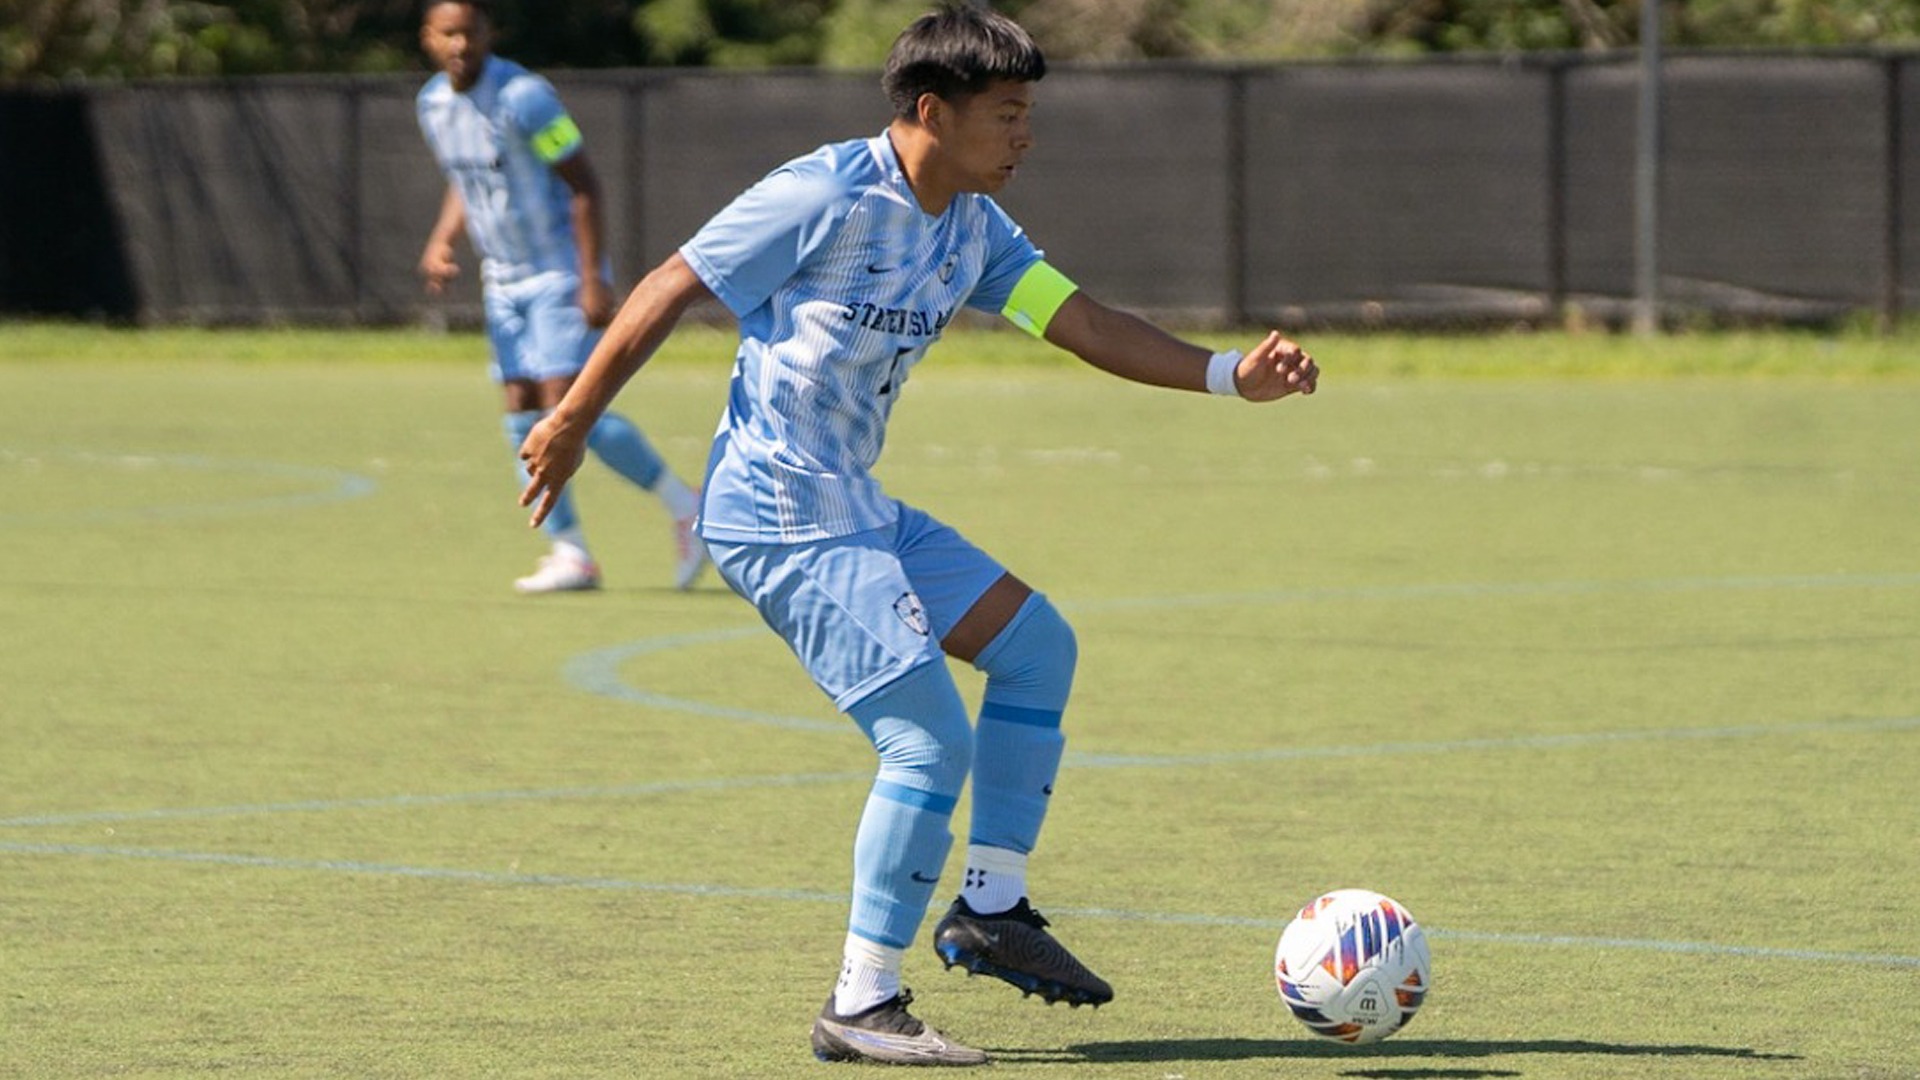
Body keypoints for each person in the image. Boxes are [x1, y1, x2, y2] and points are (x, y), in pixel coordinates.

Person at [518, 3, 1318, 1066]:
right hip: (776, 510)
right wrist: (570, 422)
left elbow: (1083, 323)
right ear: (932, 111)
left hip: (853, 504)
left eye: (1030, 113)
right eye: (1009, 114)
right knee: (926, 738)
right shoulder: (823, 193)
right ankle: (861, 1001)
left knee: (1038, 647)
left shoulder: (974, 227)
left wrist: (1228, 376)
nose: (1026, 135)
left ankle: (991, 908)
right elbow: (670, 286)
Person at [414, 0, 706, 593]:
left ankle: (686, 506)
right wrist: (443, 239)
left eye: (470, 32)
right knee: (520, 408)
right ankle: (571, 551)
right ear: (428, 38)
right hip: (502, 278)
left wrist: (591, 280)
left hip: (556, 274)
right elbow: (467, 180)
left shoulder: (527, 98)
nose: (460, 45)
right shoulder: (432, 105)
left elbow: (585, 185)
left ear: (489, 32)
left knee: (566, 406)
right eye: (448, 34)